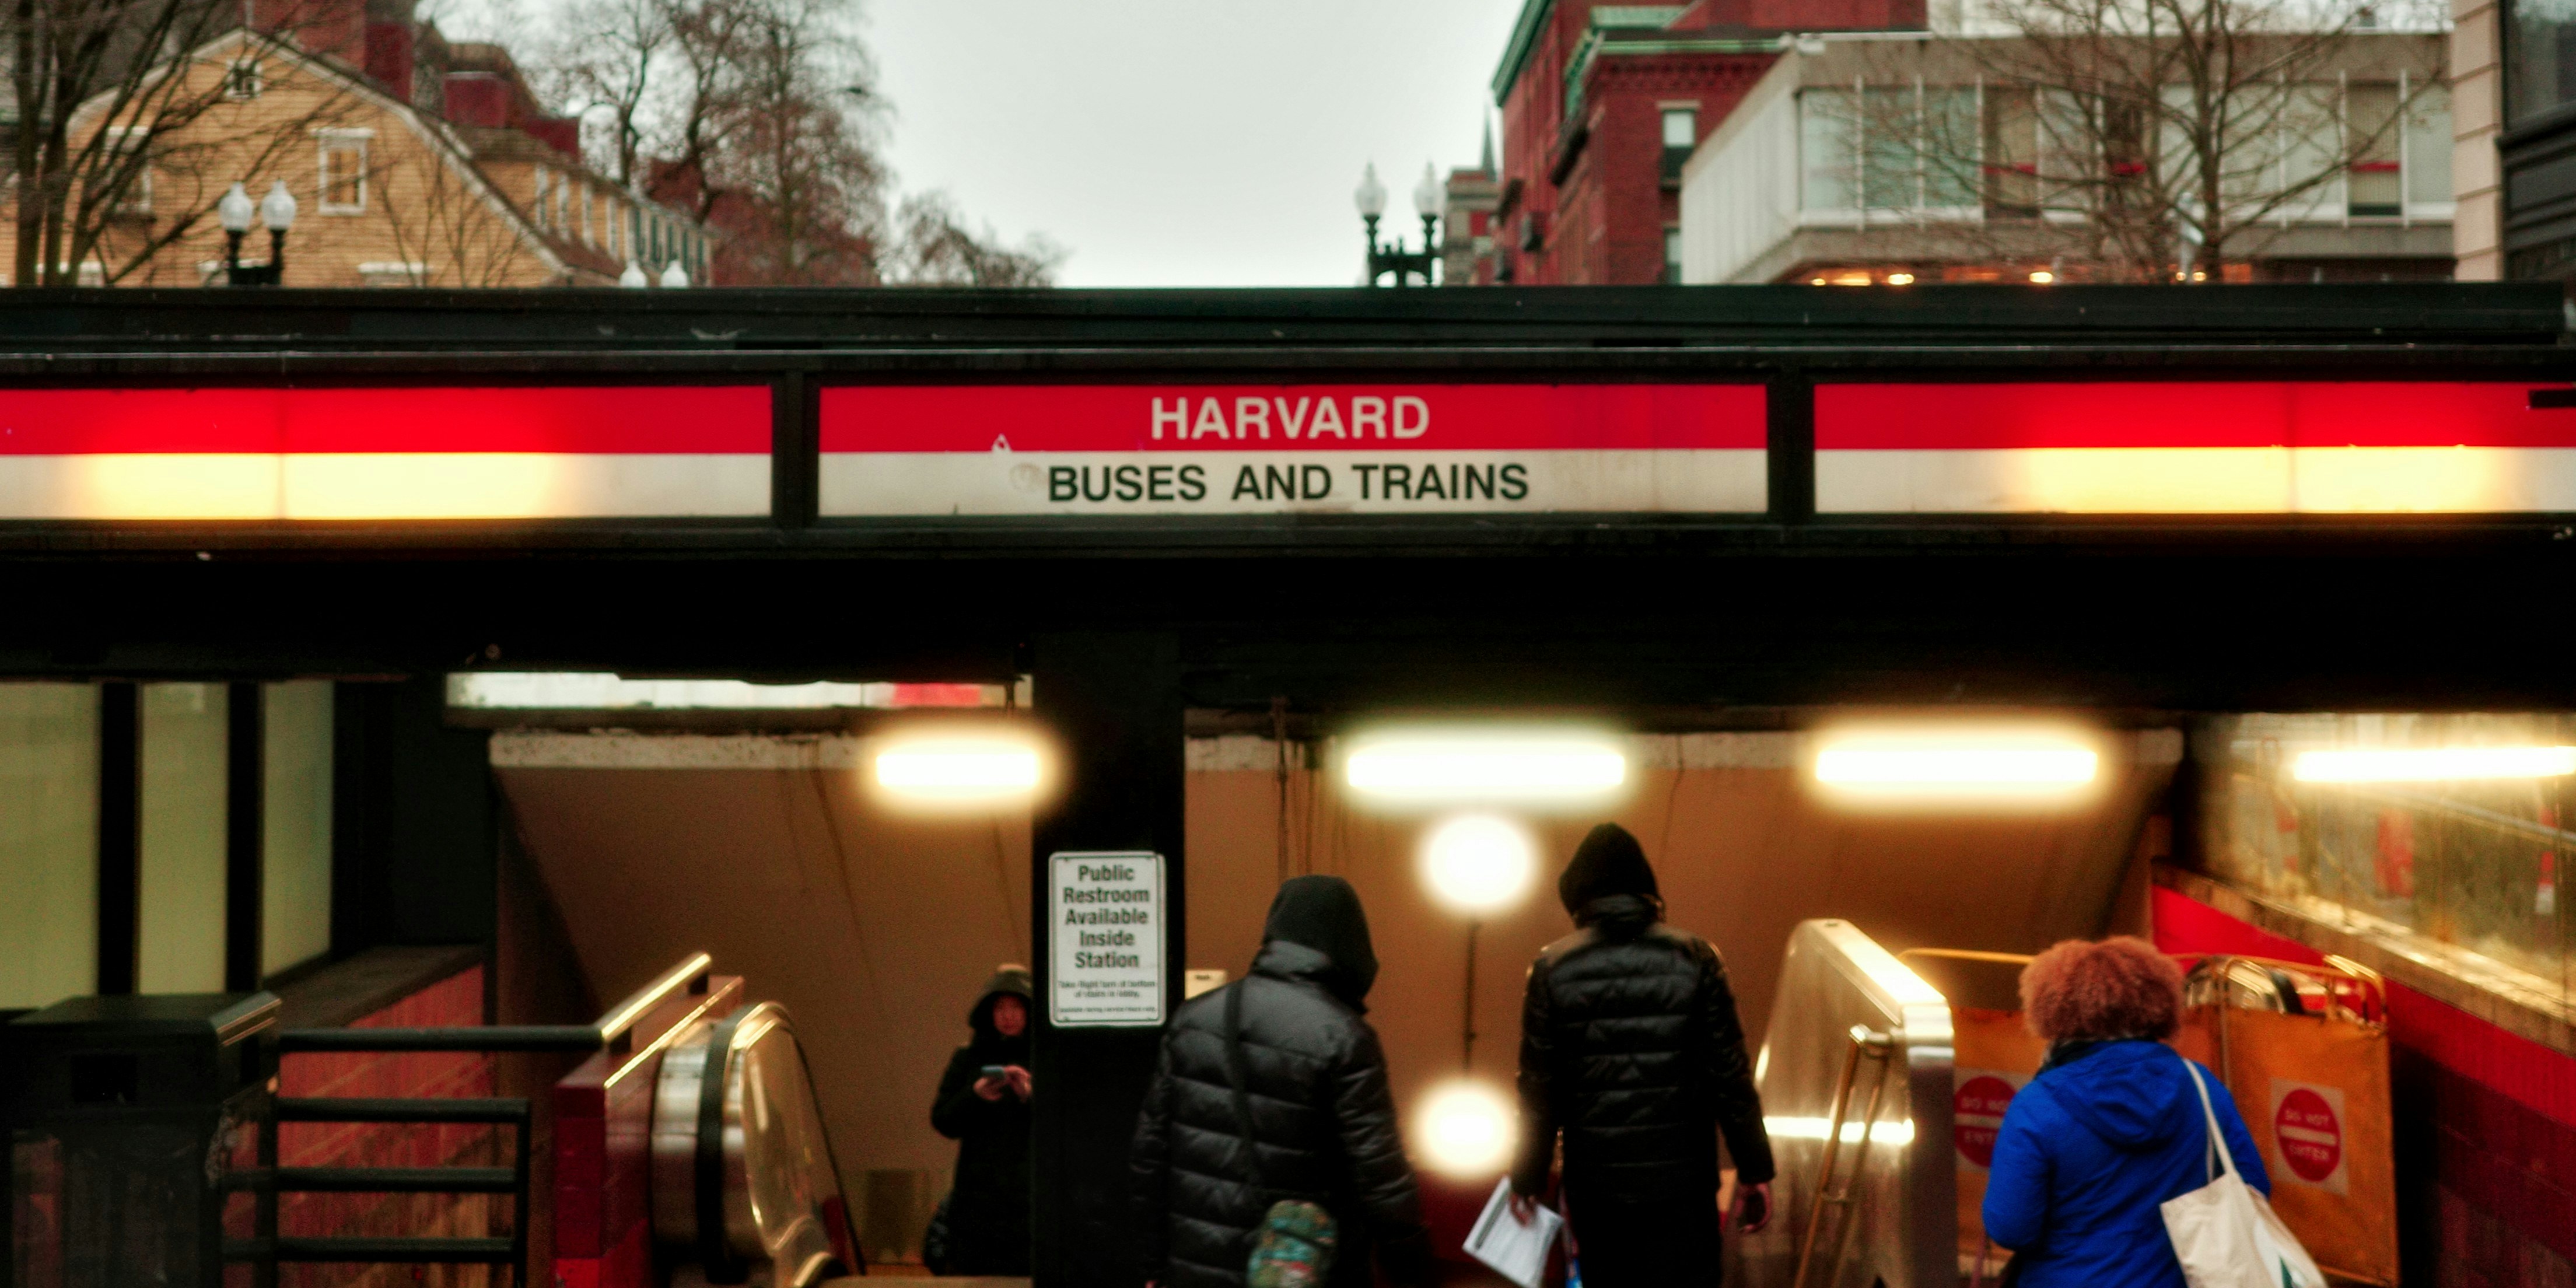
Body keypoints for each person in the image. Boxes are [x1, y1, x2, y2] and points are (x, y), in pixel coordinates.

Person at [1130, 875, 1433, 1288]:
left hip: (1196, 1268)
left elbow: (1150, 1155)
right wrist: (1413, 1271)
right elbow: (1381, 1179)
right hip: (1301, 1272)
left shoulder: (1193, 1020)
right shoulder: (1342, 1037)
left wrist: (1151, 1265)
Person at [1507, 822, 1774, 1288]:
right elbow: (1730, 1076)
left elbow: (1538, 1091)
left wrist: (1527, 1177)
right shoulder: (1696, 958)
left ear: (1578, 897)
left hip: (1598, 1189)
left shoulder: (1552, 968)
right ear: (1646, 892)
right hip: (1683, 1188)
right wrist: (1754, 1169)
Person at [1983, 937, 2270, 1288]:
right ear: (2159, 1005)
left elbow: (2011, 1228)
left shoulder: (2039, 1105)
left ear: (2052, 1011)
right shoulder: (2200, 1087)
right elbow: (2254, 1188)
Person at [929, 964, 1034, 1276]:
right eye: (1000, 1007)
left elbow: (1069, 1125)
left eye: (1016, 1007)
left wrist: (1030, 1096)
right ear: (988, 1012)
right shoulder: (969, 1057)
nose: (1008, 1016)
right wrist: (974, 1095)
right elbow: (943, 1121)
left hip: (1029, 1200)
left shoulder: (1045, 1056)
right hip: (977, 1202)